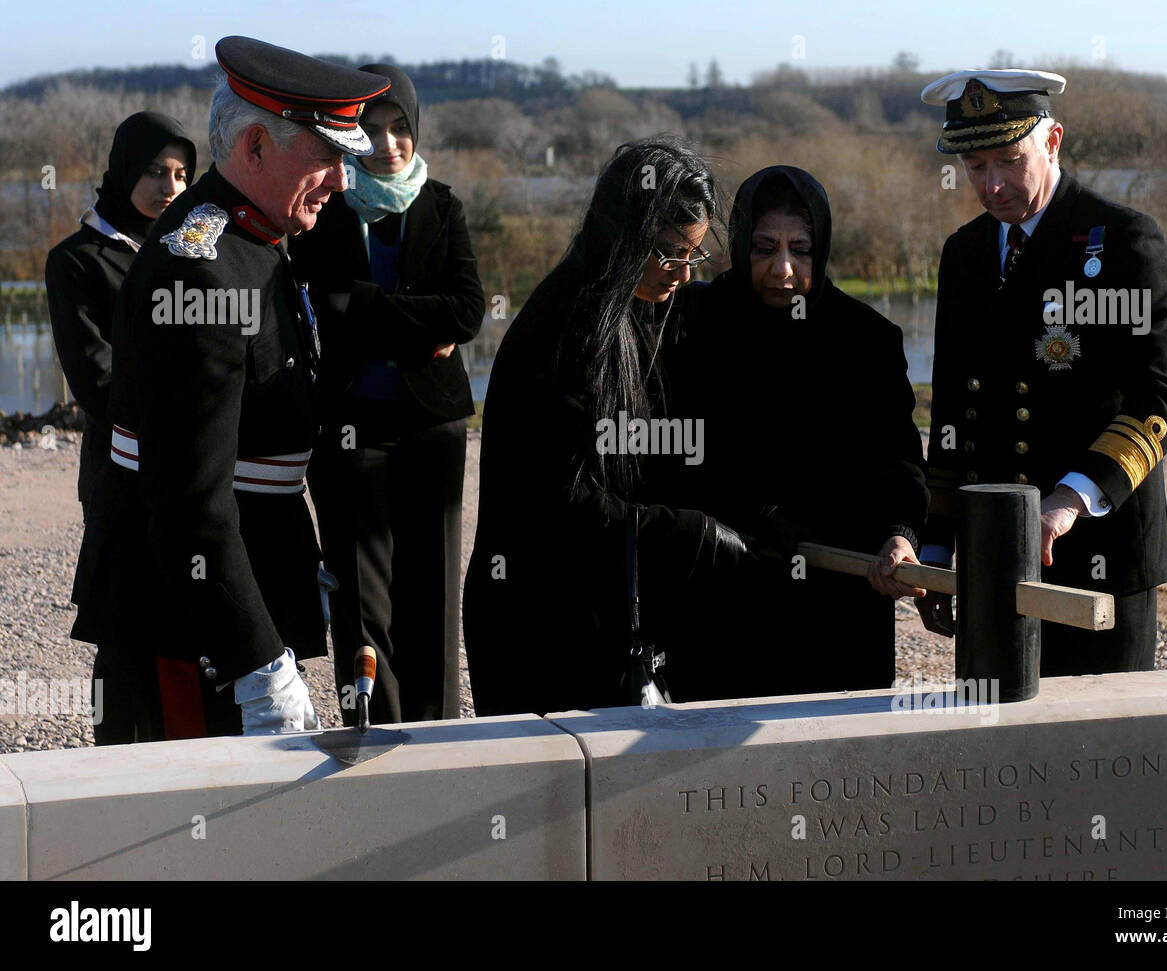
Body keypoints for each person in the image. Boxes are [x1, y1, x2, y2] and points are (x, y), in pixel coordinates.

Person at [69, 36, 392, 741]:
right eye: (329, 156)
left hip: (234, 593)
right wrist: (254, 658)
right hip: (186, 622)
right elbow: (190, 501)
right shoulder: (200, 269)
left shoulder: (258, 239)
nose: (342, 179)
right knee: (183, 836)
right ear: (254, 147)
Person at [915, 69, 1167, 675]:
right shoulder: (963, 254)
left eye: (1009, 161)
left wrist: (1069, 499)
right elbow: (951, 415)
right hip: (993, 555)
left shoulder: (1122, 240)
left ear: (1053, 141)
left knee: (1104, 753)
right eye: (975, 167)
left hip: (1101, 551)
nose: (992, 186)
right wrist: (937, 545)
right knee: (997, 748)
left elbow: (1166, 397)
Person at [463, 137, 753, 717]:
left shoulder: (645, 305)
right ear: (620, 234)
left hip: (598, 608)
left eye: (692, 256)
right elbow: (558, 500)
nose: (679, 272)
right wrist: (687, 534)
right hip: (536, 620)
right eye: (666, 252)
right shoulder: (566, 329)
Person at [671, 165, 929, 701]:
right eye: (764, 248)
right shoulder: (693, 324)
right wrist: (761, 518)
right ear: (740, 243)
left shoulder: (867, 340)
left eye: (801, 250)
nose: (782, 269)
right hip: (724, 594)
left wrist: (901, 534)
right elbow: (676, 457)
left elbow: (899, 464)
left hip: (839, 604)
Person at [289, 63, 485, 726]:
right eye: (371, 130)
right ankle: (376, 735)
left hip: (433, 426)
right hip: (349, 425)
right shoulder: (324, 209)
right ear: (349, 135)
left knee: (431, 592)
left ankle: (434, 738)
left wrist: (370, 310)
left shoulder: (444, 205)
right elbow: (329, 300)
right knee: (360, 596)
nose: (388, 143)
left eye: (400, 128)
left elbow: (465, 314)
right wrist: (410, 321)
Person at [45, 111, 195, 744]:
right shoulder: (78, 260)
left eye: (183, 173)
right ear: (124, 171)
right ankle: (114, 772)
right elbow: (98, 380)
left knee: (187, 629)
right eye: (156, 171)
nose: (170, 186)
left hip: (196, 466)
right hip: (123, 467)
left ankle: (185, 770)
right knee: (125, 630)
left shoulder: (190, 251)